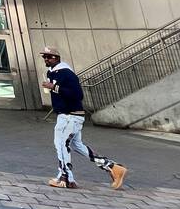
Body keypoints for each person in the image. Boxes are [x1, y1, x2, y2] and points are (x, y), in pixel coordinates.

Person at [40, 46, 127, 190]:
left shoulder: (66, 74)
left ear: (56, 58)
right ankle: (112, 167)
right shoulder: (52, 73)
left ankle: (65, 178)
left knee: (61, 144)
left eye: (48, 57)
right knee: (76, 145)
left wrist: (54, 88)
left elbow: (78, 94)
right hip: (70, 116)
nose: (46, 59)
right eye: (44, 57)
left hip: (70, 116)